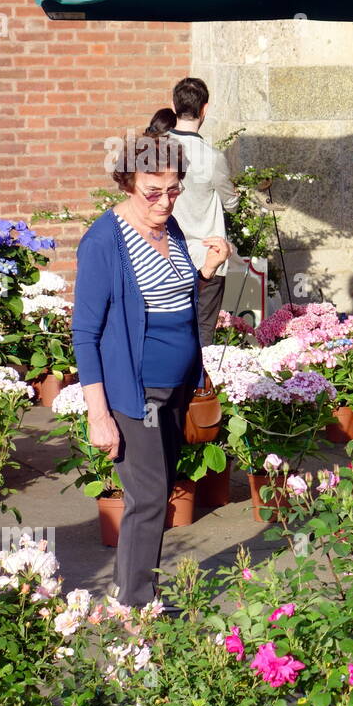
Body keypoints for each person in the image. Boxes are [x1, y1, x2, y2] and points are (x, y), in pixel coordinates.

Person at [72, 129, 231, 607]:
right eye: (153, 191)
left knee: (157, 491)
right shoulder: (104, 242)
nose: (165, 201)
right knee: (147, 496)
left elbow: (177, 298)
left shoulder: (171, 229)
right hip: (136, 391)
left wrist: (205, 273)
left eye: (174, 189)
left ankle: (139, 589)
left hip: (176, 386)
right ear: (127, 182)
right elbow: (85, 334)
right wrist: (99, 415)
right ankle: (134, 605)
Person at [167, 77, 239, 348]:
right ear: (205, 109)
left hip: (164, 254)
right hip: (205, 254)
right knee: (202, 335)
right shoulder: (212, 157)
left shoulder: (155, 148)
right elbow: (230, 203)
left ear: (173, 105)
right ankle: (199, 391)